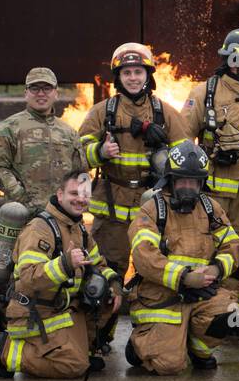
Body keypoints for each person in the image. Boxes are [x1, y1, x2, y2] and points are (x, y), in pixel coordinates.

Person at [0, 170, 121, 378]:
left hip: (61, 307)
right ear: (60, 195)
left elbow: (99, 264)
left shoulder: (78, 229)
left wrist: (114, 285)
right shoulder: (40, 229)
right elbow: (28, 276)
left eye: (85, 195)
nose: (80, 199)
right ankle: (4, 350)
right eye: (74, 193)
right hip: (35, 312)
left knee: (106, 300)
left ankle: (83, 349)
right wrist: (65, 264)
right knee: (73, 366)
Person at [182, 28, 239, 320]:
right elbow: (182, 142)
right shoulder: (204, 93)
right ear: (235, 59)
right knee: (215, 251)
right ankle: (217, 313)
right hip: (214, 195)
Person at [124, 141, 239, 374]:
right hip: (162, 295)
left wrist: (216, 270)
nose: (188, 187)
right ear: (170, 180)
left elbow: (232, 245)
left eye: (194, 182)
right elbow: (144, 255)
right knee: (168, 365)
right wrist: (184, 277)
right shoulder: (152, 210)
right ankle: (140, 345)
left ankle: (198, 350)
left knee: (232, 312)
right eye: (182, 181)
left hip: (201, 292)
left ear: (201, 183)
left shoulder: (210, 208)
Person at [79, 43, 188, 281]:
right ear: (118, 77)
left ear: (148, 75)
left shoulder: (166, 113)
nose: (133, 78)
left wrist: (164, 155)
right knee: (107, 270)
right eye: (126, 72)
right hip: (111, 208)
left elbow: (187, 158)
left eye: (138, 72)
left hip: (154, 206)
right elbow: (77, 155)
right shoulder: (102, 112)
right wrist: (100, 151)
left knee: (153, 268)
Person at [0, 67, 85, 213]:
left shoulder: (69, 132)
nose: (41, 93)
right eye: (34, 88)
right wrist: (23, 199)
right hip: (24, 215)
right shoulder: (9, 128)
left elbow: (80, 173)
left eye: (47, 88)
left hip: (62, 215)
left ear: (56, 93)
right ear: (26, 93)